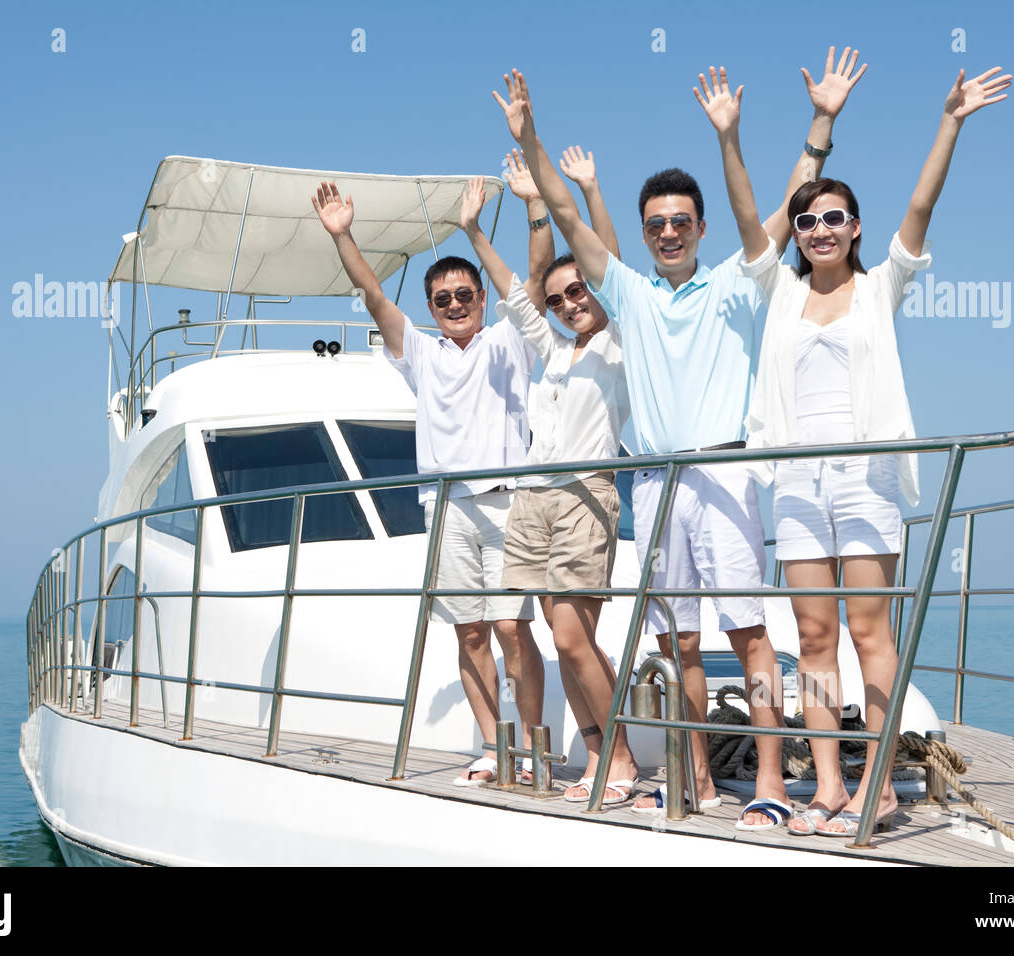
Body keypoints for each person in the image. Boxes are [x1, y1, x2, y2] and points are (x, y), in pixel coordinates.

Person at [495, 49, 865, 825]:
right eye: (655, 224)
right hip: (655, 482)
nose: (668, 233)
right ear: (643, 232)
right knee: (681, 646)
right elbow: (565, 214)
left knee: (750, 634)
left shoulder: (735, 280)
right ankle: (690, 776)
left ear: (699, 227)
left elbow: (794, 197)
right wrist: (530, 141)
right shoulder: (623, 292)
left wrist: (814, 122)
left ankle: (766, 784)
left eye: (679, 222)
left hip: (725, 474)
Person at [708, 61, 1012, 835]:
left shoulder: (882, 290)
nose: (819, 231)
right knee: (812, 639)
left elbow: (921, 201)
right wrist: (729, 136)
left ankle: (878, 783)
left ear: (856, 228)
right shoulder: (777, 292)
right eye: (807, 222)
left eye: (834, 218)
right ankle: (830, 786)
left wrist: (951, 119)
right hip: (798, 485)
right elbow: (751, 218)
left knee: (871, 633)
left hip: (868, 480)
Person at [311, 180, 544, 787]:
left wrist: (514, 212)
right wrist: (343, 236)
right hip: (445, 510)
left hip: (507, 505)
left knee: (512, 629)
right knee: (470, 632)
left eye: (466, 294)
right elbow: (372, 294)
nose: (457, 303)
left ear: (483, 300)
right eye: (444, 298)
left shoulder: (508, 341)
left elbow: (537, 274)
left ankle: (534, 748)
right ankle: (495, 749)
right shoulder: (419, 351)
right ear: (432, 307)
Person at [459, 170, 641, 804]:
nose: (569, 302)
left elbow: (610, 263)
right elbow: (514, 293)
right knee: (561, 638)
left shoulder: (618, 342)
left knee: (572, 636)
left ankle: (619, 758)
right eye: (560, 296)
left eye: (579, 291)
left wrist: (589, 192)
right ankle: (597, 755)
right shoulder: (554, 349)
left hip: (587, 494)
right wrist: (475, 231)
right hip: (533, 500)